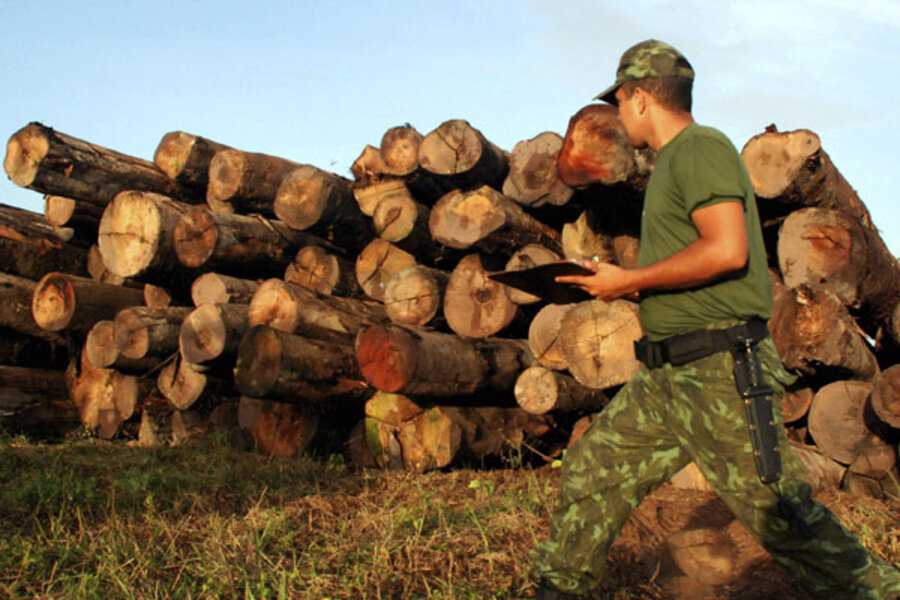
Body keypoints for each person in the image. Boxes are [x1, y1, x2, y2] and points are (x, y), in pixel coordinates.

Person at [530, 39, 900, 600]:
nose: (619, 113)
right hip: (668, 377)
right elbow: (692, 263)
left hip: (719, 373)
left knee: (781, 518)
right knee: (593, 468)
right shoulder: (674, 164)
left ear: (637, 97)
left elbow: (727, 250)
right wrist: (611, 277)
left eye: (620, 100)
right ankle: (558, 588)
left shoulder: (700, 148)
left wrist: (626, 281)